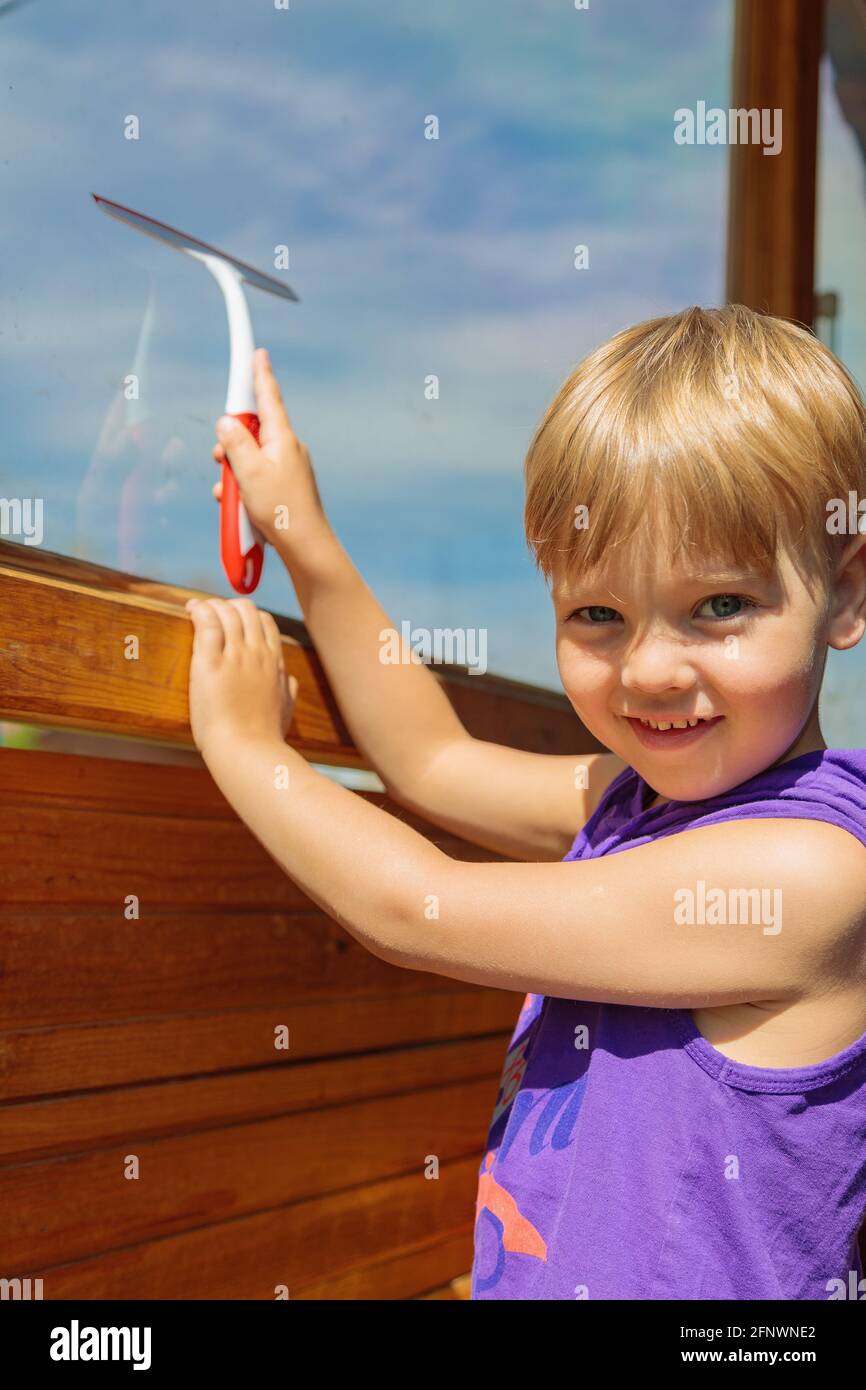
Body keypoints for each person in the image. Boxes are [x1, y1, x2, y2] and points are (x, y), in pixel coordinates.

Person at [184, 305, 866, 1300]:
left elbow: (411, 907)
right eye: (597, 614)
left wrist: (248, 748)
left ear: (845, 595)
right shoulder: (630, 801)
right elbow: (430, 759)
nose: (648, 671)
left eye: (717, 606)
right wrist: (299, 534)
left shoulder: (804, 876)